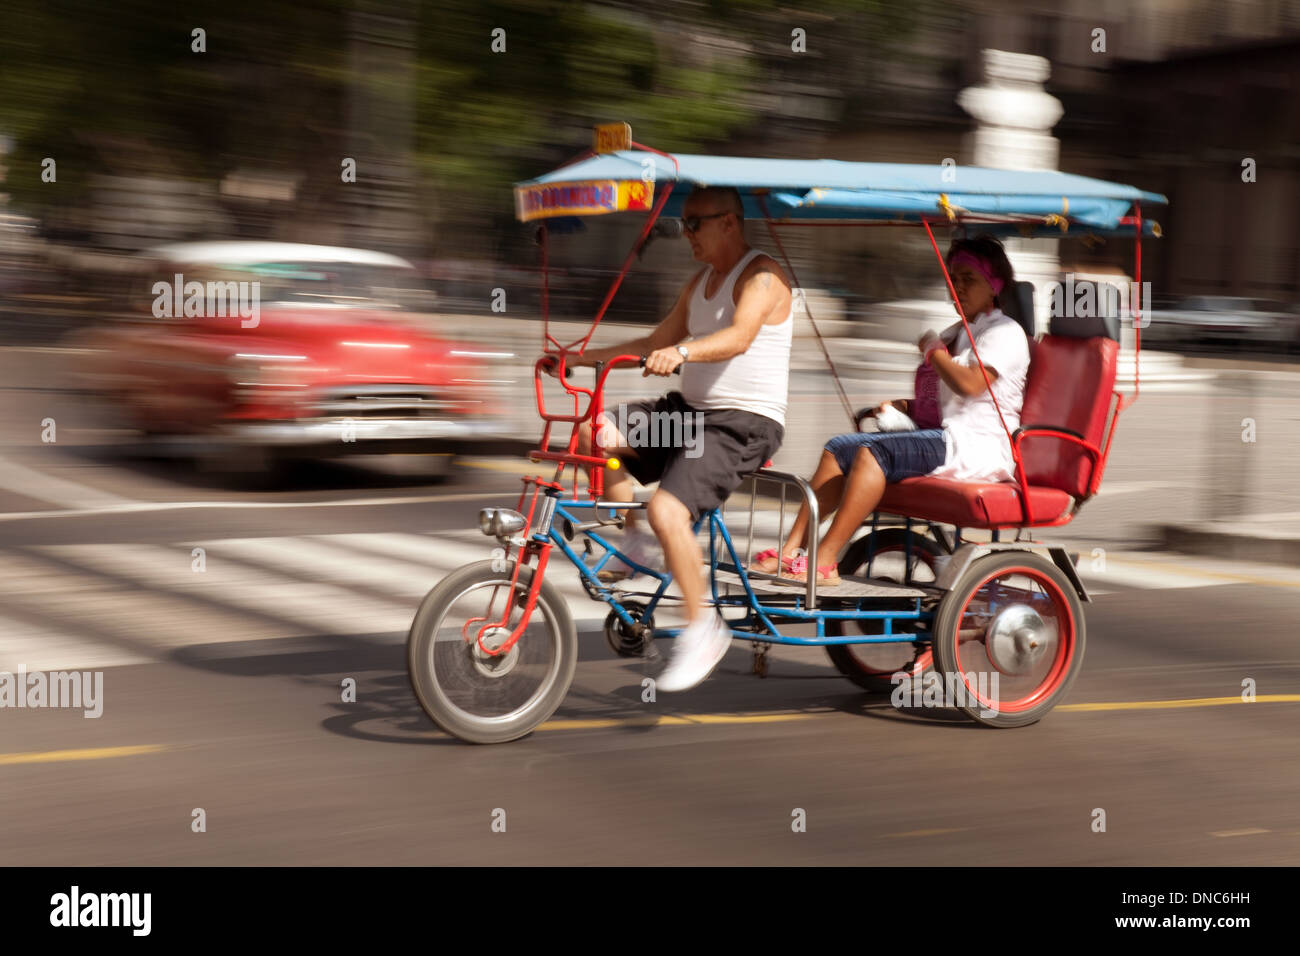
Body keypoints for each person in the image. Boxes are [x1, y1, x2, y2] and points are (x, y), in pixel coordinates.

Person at [551, 185, 794, 691]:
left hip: (741, 423)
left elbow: (741, 336)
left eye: (694, 224)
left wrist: (684, 355)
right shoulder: (701, 281)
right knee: (604, 433)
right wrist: (576, 358)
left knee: (668, 509)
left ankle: (704, 626)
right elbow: (652, 341)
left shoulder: (763, 277)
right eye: (682, 225)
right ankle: (636, 541)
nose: (685, 235)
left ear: (729, 223)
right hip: (689, 416)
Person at [750, 235, 1029, 586]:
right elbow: (943, 399)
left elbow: (971, 385)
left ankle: (824, 561)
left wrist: (934, 352)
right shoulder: (957, 332)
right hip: (946, 438)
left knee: (873, 453)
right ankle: (791, 550)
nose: (957, 287)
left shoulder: (1005, 333)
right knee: (838, 448)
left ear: (995, 285)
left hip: (976, 448)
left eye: (968, 279)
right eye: (953, 279)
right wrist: (902, 407)